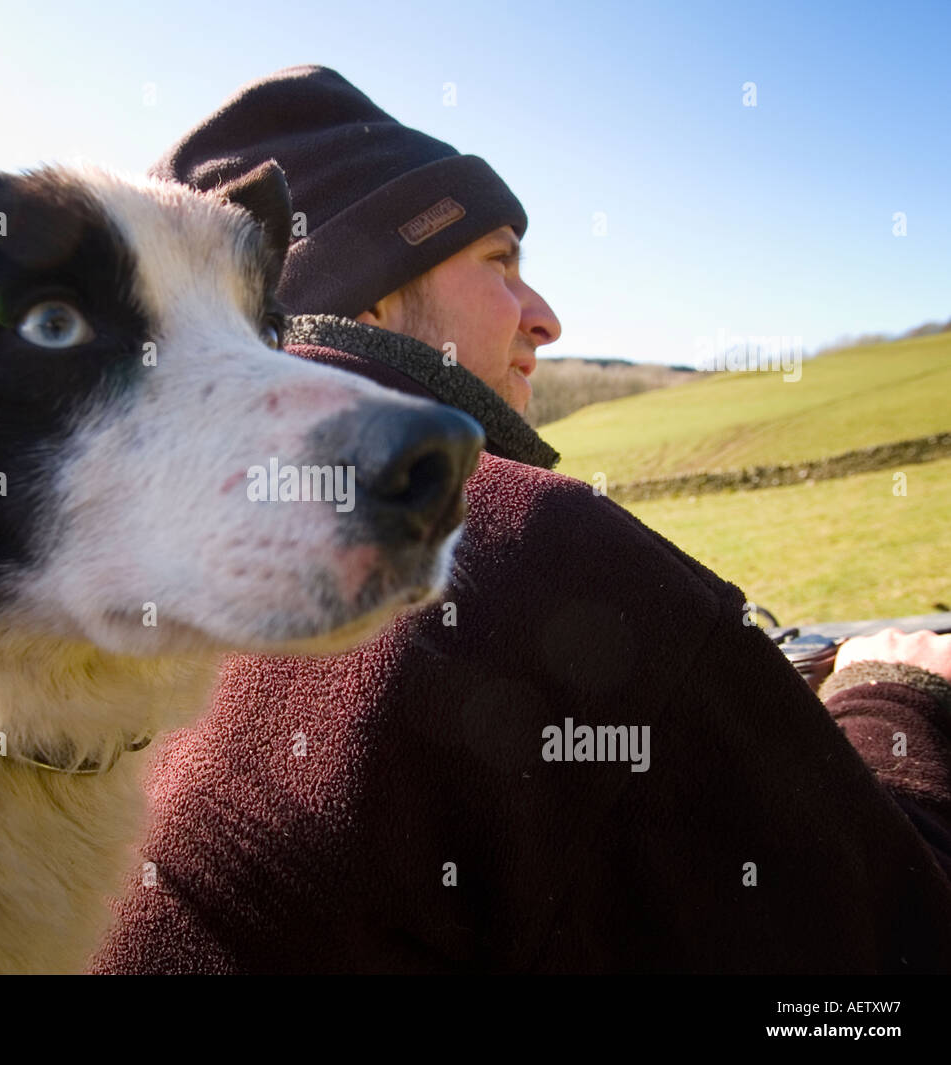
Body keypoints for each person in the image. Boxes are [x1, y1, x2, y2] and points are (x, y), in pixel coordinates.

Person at [90, 65, 951, 973]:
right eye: (501, 261)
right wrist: (898, 699)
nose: (547, 320)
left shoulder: (146, 605)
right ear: (369, 290)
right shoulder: (515, 543)